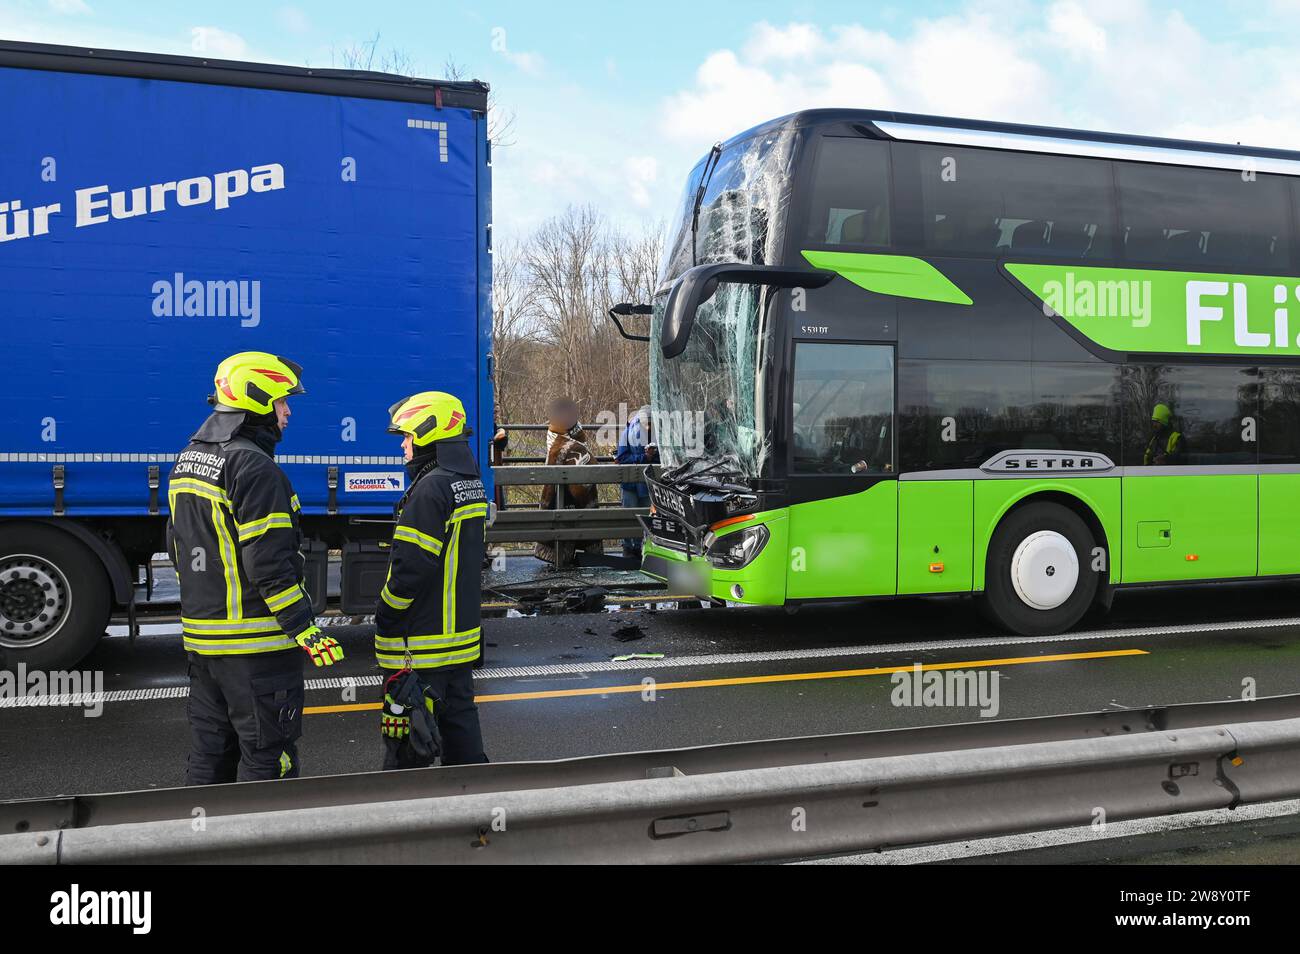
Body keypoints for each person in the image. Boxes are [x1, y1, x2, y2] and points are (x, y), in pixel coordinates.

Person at [168, 352, 343, 785]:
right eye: (283, 401)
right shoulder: (254, 466)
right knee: (269, 759)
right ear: (258, 399)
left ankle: (203, 843)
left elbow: (176, 546)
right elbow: (270, 565)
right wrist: (304, 628)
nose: (288, 412)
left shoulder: (188, 458)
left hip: (203, 645)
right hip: (257, 649)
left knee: (211, 757)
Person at [375, 390, 489, 768]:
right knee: (463, 743)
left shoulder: (430, 489)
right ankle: (475, 815)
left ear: (428, 432)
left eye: (407, 436)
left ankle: (409, 822)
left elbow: (411, 569)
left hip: (422, 645)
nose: (404, 446)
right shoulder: (468, 483)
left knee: (409, 751)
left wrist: (386, 614)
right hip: (459, 643)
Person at [534, 397, 600, 566]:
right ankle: (564, 561)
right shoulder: (566, 444)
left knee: (567, 524)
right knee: (568, 523)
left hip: (560, 499)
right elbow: (580, 489)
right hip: (566, 501)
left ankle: (564, 560)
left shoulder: (560, 437)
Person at [615, 405, 656, 558]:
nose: (649, 426)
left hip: (647, 484)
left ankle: (641, 548)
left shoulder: (656, 436)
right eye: (647, 422)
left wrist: (652, 457)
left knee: (646, 517)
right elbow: (622, 458)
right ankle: (627, 547)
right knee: (629, 515)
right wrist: (644, 458)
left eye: (651, 422)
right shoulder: (628, 434)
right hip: (630, 485)